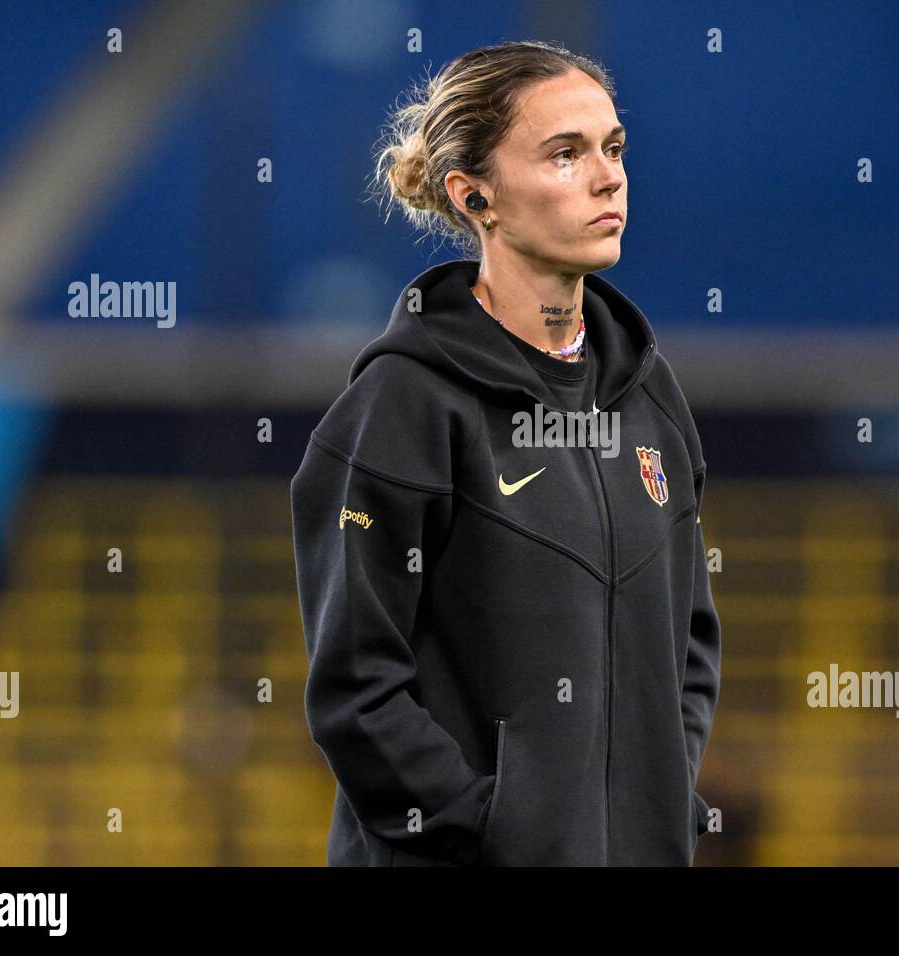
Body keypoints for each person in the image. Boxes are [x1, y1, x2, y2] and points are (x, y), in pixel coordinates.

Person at [290, 39, 721, 866]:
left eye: (614, 148)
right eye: (565, 154)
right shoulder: (401, 405)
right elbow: (356, 689)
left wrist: (657, 794)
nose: (608, 177)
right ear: (474, 195)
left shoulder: (651, 396)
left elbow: (690, 645)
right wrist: (494, 826)